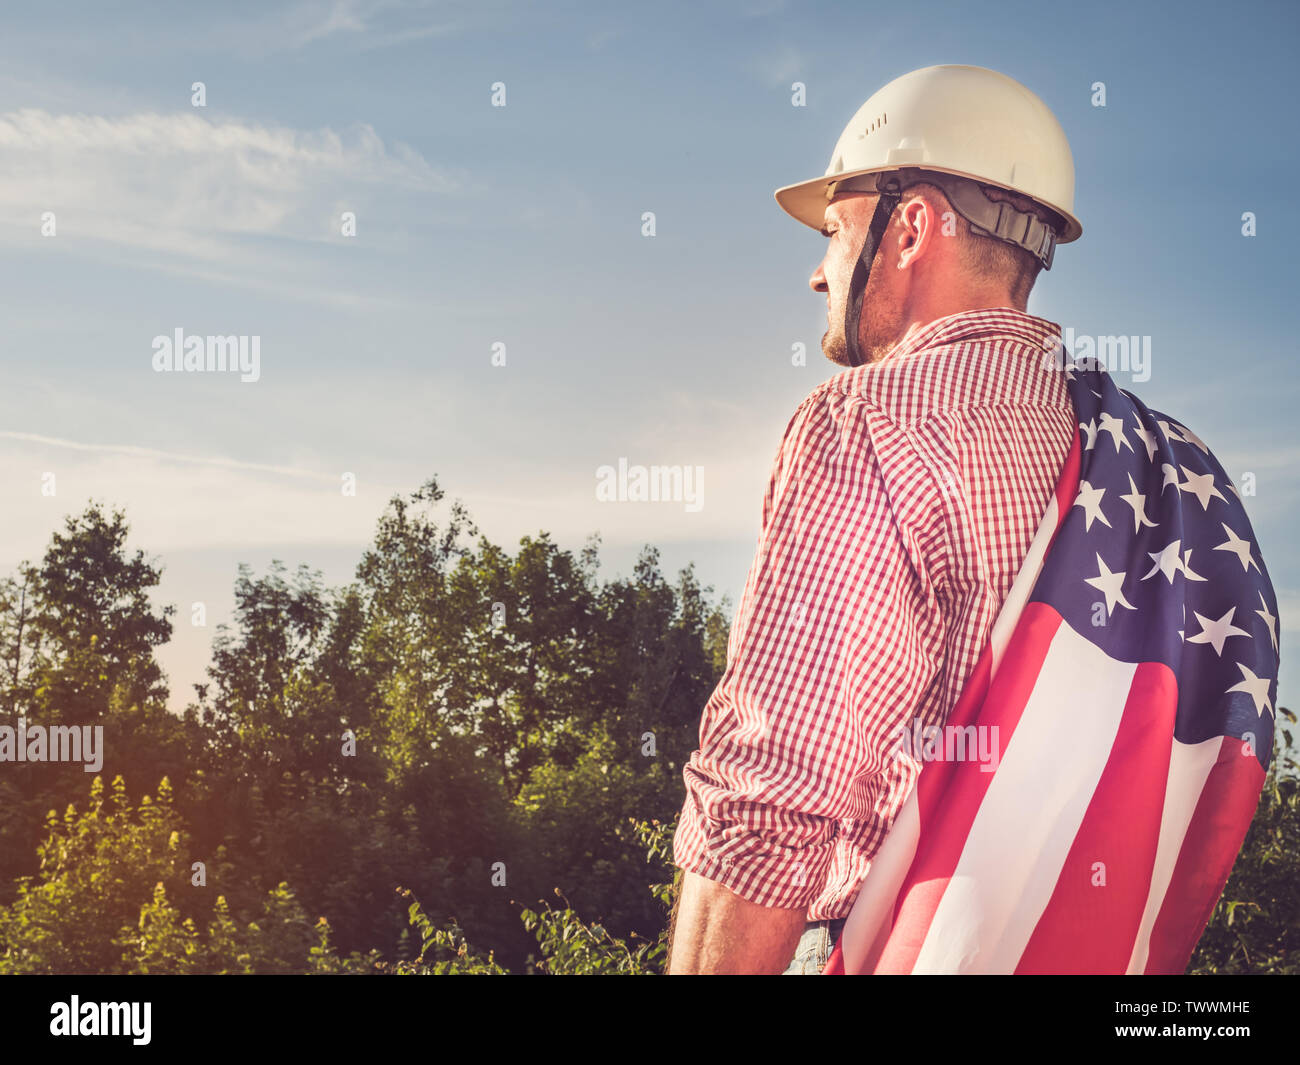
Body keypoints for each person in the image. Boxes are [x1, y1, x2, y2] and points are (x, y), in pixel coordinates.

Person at [665, 65, 1278, 975]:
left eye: (835, 231)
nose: (816, 272)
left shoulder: (867, 423)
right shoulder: (1178, 467)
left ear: (909, 228)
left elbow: (771, 799)